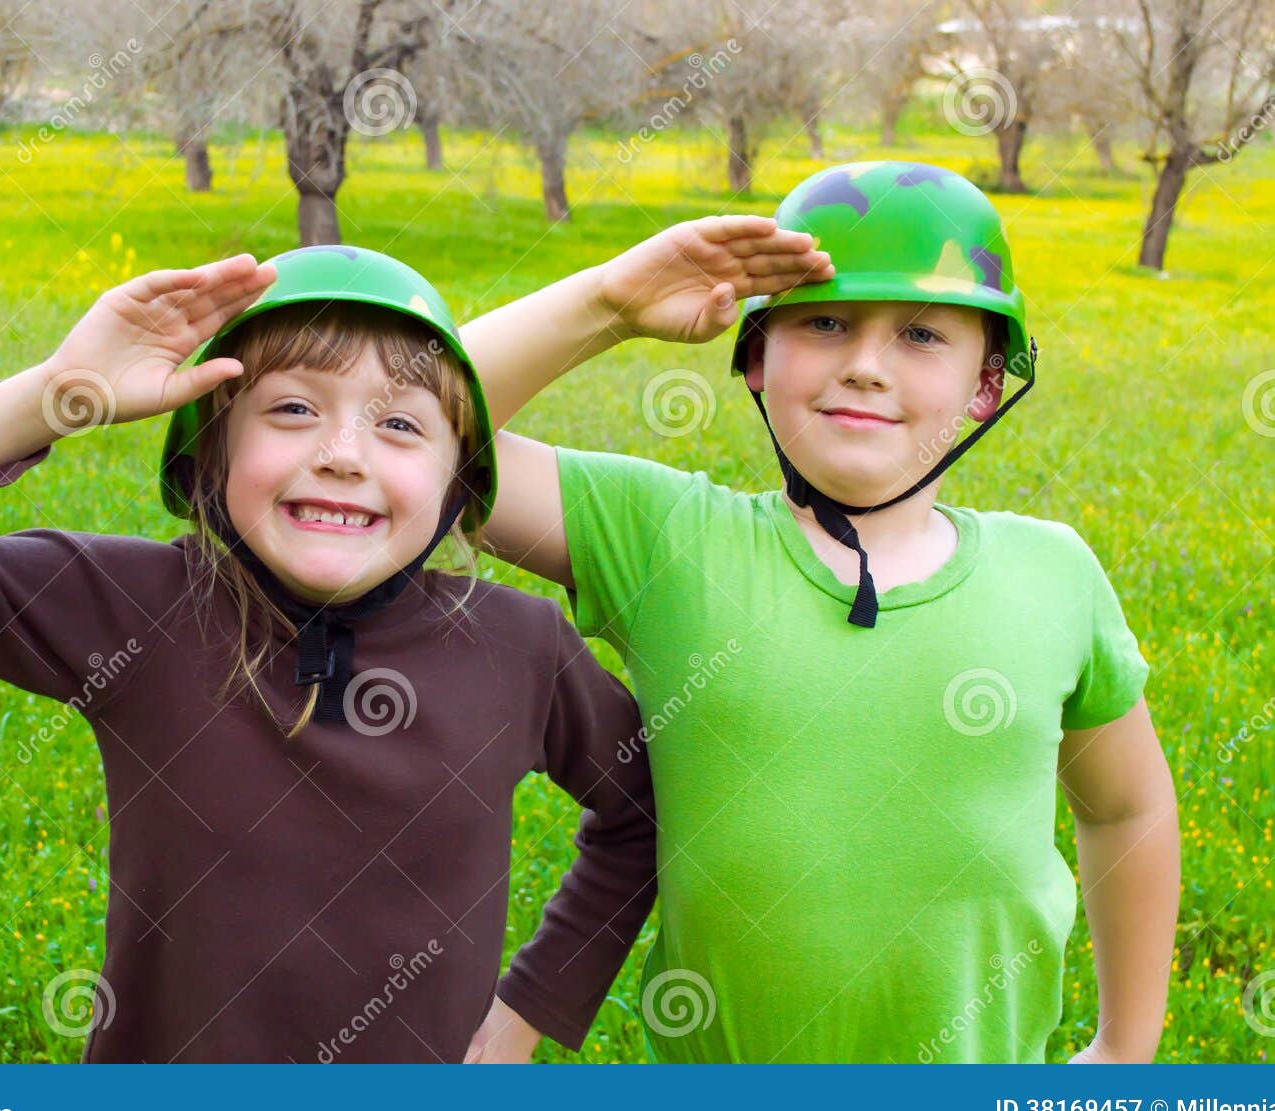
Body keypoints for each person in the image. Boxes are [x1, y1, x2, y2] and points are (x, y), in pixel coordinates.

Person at [0, 246, 664, 1063]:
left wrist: (527, 1012)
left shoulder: (520, 646)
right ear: (212, 457)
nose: (343, 455)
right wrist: (54, 394)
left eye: (400, 426)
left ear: (457, 485)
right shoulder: (134, 611)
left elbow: (649, 811)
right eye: (294, 410)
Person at [463, 163, 1181, 1063]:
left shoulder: (1054, 573)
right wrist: (610, 302)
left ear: (987, 387)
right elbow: (405, 438)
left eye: (921, 335)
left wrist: (1125, 1052)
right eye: (824, 322)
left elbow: (1126, 810)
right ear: (757, 359)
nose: (866, 366)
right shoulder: (669, 540)